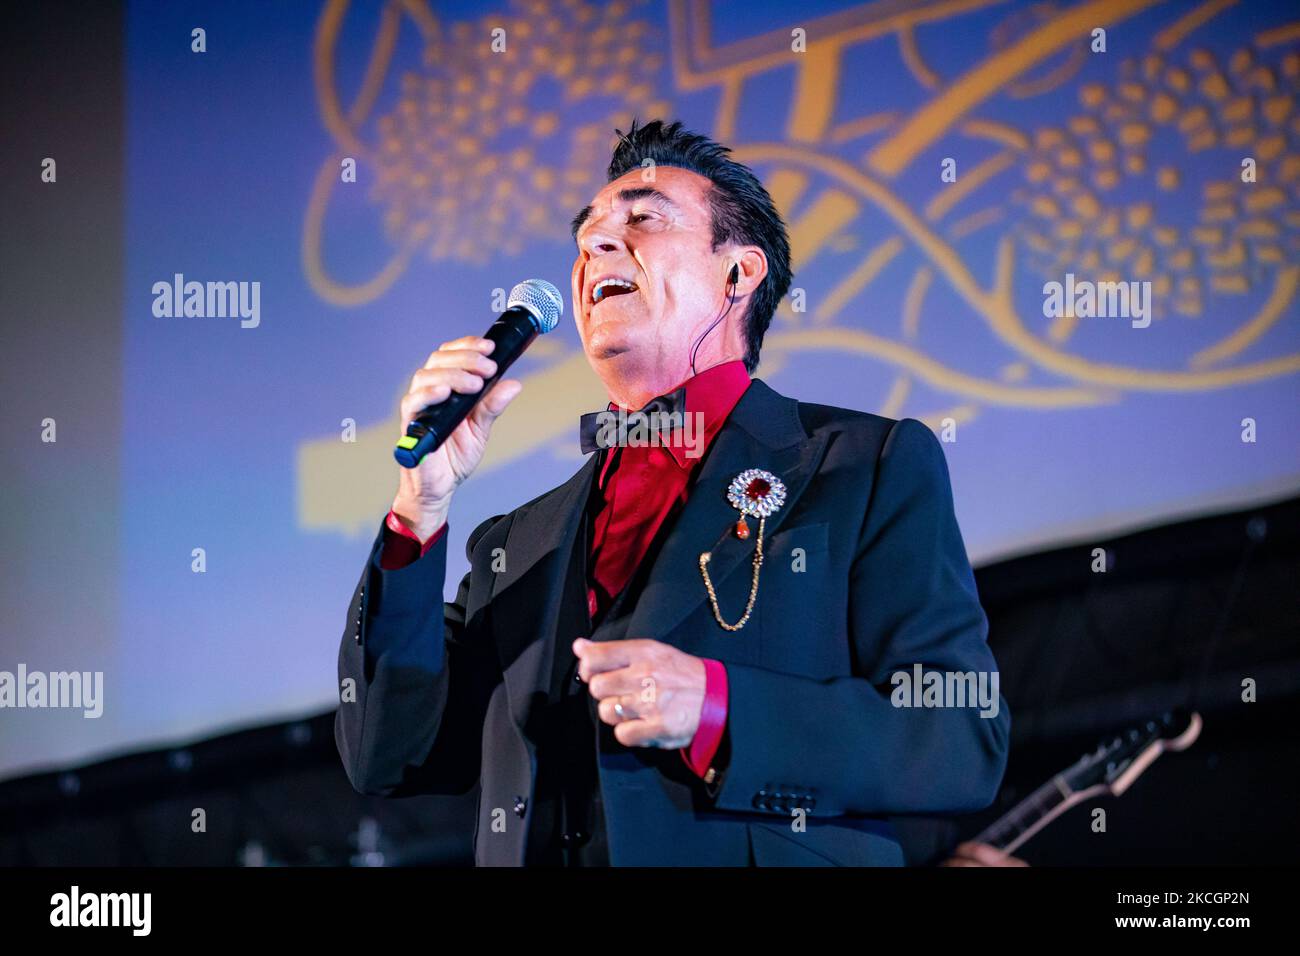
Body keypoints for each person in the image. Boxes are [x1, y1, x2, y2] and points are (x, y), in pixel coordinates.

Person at [334, 119, 1010, 866]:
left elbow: (959, 735)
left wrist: (720, 710)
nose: (595, 246)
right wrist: (418, 508)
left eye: (642, 218)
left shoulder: (862, 466)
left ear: (739, 274)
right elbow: (387, 756)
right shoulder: (511, 544)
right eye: (586, 233)